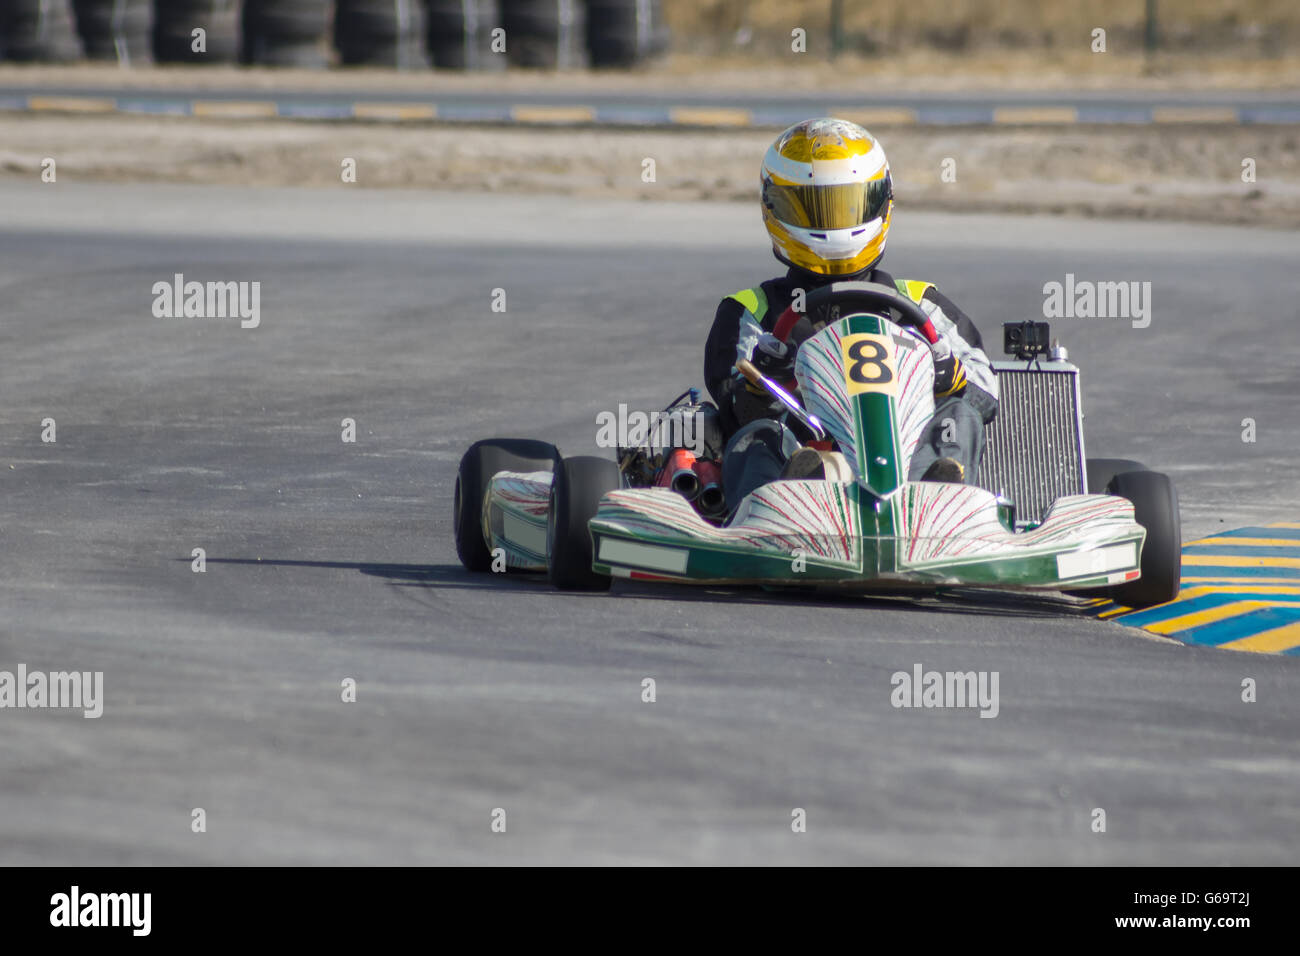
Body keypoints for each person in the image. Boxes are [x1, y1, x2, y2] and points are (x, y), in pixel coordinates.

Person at [702, 117, 998, 510]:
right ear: (775, 207)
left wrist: (951, 376)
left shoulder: (919, 302)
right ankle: (777, 509)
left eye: (845, 205)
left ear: (880, 201)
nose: (833, 224)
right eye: (814, 209)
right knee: (760, 434)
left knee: (957, 415)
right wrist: (765, 383)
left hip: (905, 459)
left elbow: (987, 393)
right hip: (807, 453)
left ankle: (939, 501)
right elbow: (731, 406)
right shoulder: (753, 311)